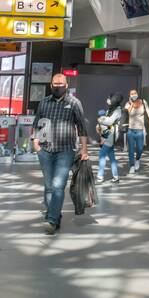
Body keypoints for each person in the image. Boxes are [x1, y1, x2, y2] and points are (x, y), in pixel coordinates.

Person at [32, 73, 91, 234]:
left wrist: (84, 149)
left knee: (58, 186)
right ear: (51, 85)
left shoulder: (74, 103)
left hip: (65, 150)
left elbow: (81, 127)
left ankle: (51, 220)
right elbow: (37, 123)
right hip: (45, 150)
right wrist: (35, 142)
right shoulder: (44, 103)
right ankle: (55, 216)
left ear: (66, 85)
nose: (57, 86)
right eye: (55, 83)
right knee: (49, 186)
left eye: (61, 83)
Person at [96, 93, 125, 184]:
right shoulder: (111, 109)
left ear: (114, 100)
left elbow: (109, 122)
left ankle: (100, 177)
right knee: (112, 157)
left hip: (112, 135)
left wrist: (100, 120)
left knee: (102, 155)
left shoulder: (117, 111)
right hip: (109, 134)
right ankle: (115, 177)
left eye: (109, 98)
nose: (108, 100)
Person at [123, 88, 149, 173]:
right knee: (131, 149)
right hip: (131, 130)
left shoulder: (143, 102)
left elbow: (148, 112)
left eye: (135, 93)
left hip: (140, 130)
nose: (133, 95)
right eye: (131, 94)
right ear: (129, 96)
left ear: (137, 93)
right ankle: (132, 166)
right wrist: (132, 103)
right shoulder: (128, 103)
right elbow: (128, 112)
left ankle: (137, 159)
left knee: (140, 148)